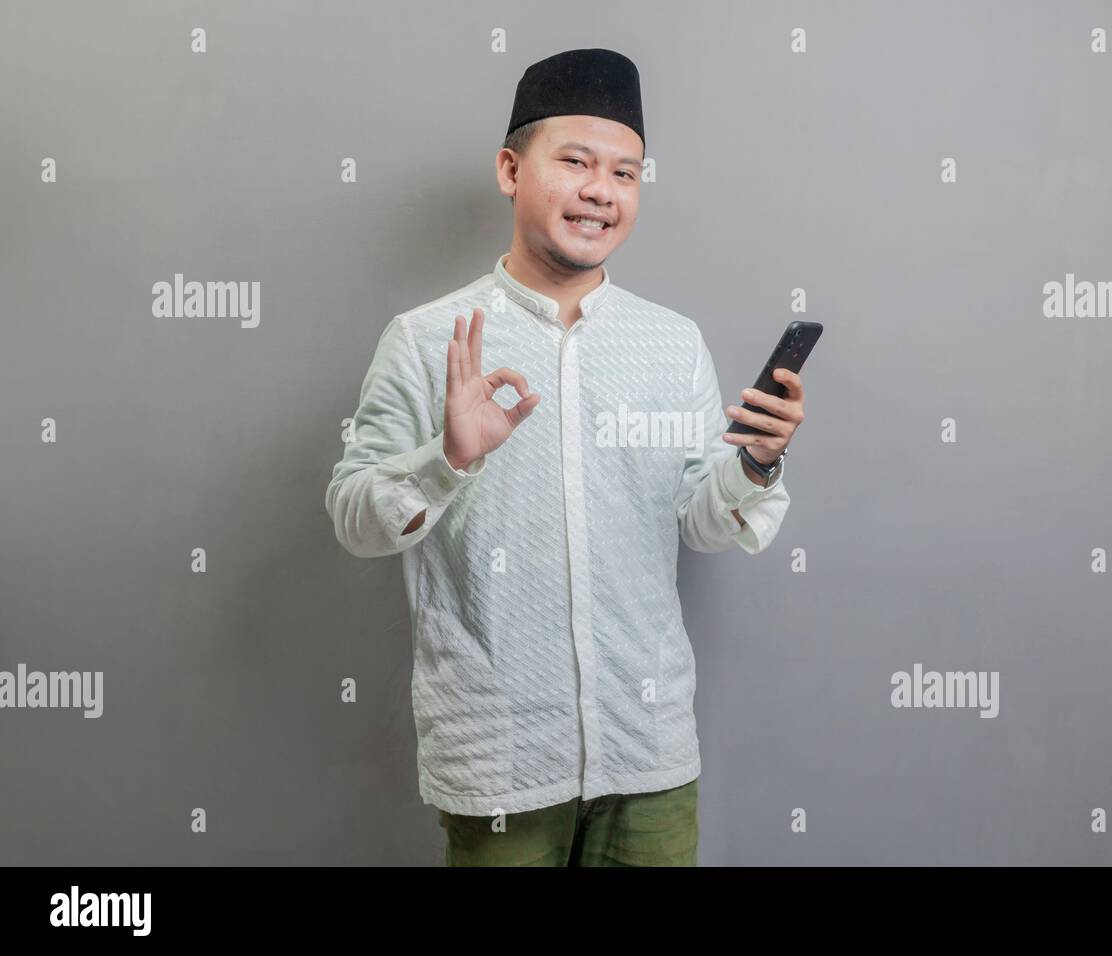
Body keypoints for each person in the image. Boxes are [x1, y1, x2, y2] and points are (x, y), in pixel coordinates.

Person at [325, 48, 809, 866]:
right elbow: (355, 521)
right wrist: (447, 459)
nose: (600, 191)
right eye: (576, 162)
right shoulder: (425, 339)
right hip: (499, 752)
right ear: (512, 170)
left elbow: (699, 521)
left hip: (646, 748)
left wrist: (756, 464)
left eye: (625, 172)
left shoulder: (671, 342)